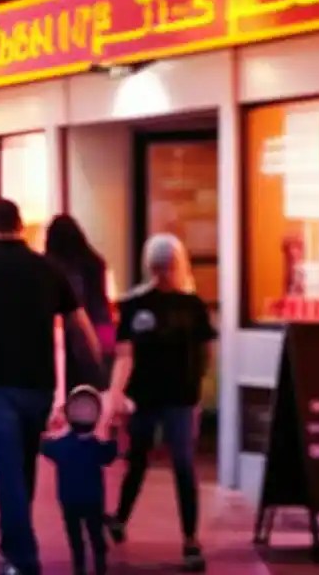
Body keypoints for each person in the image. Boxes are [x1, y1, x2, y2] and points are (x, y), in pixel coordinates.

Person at [0, 199, 103, 575]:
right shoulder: (48, 269)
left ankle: (22, 557)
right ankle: (13, 543)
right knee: (23, 466)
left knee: (7, 469)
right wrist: (97, 374)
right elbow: (81, 328)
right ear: (20, 226)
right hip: (38, 386)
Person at [106, 233, 214, 573]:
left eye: (168, 267)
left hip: (180, 397)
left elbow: (204, 351)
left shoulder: (192, 306)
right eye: (158, 267)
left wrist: (196, 389)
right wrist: (117, 394)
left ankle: (190, 538)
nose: (163, 273)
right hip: (145, 396)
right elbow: (125, 353)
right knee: (137, 458)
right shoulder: (135, 305)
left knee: (183, 464)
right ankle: (120, 518)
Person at [40, 386, 116, 575]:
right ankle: (98, 562)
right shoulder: (96, 446)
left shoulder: (61, 446)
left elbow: (44, 445)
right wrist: (111, 429)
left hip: (69, 499)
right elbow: (110, 454)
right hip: (93, 499)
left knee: (76, 536)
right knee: (94, 533)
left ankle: (80, 565)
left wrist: (49, 425)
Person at [45, 215, 117, 388]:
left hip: (60, 337)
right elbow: (102, 303)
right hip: (93, 333)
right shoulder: (95, 263)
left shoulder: (49, 267)